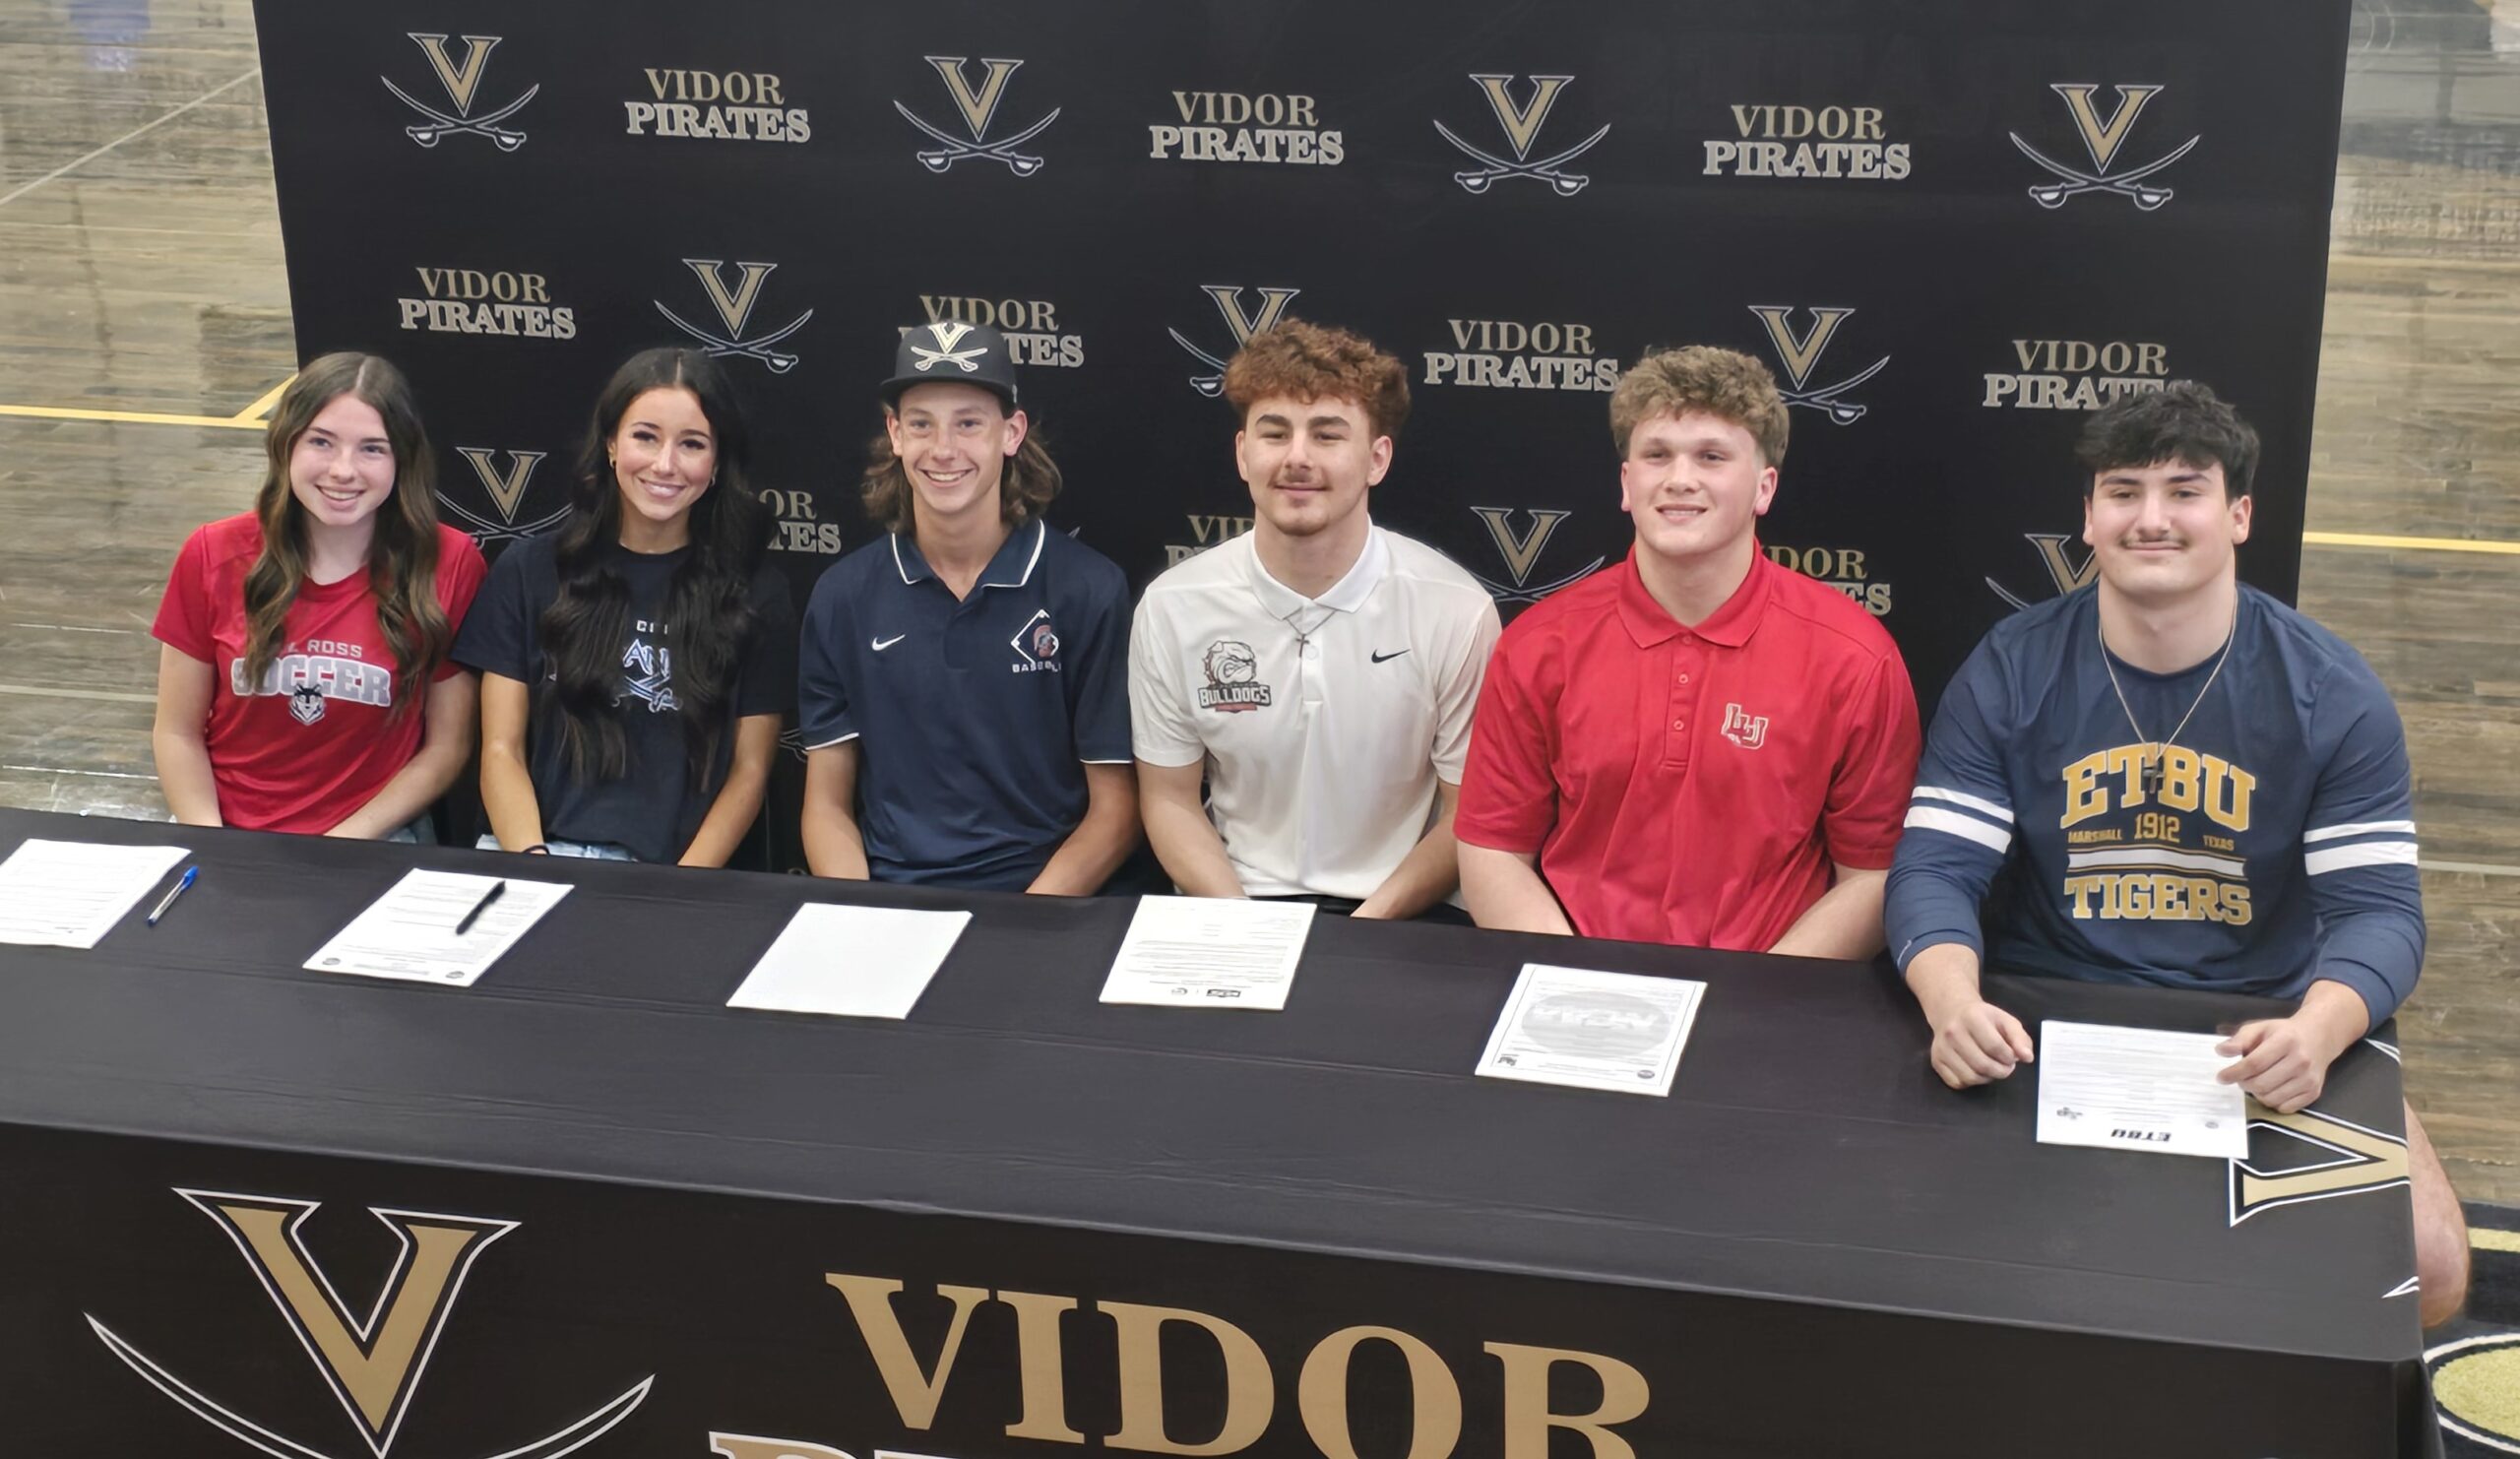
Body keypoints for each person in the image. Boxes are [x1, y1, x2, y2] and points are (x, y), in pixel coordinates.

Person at [1883, 380, 2469, 1325]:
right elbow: (1935, 871)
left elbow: (2381, 914)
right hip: (2049, 1006)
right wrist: (1952, 1002)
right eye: (2123, 491)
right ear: (2089, 517)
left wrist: (2317, 1033)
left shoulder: (2332, 691)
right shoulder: (2012, 664)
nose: (2151, 518)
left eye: (2184, 491)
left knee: (2434, 1269)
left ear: (2238, 515)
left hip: (2257, 1020)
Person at [1457, 346, 1920, 953]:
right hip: (1579, 979)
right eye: (1656, 456)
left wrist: (1760, 994)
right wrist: (1572, 979)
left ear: (1764, 487)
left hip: (1769, 993)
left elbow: (1873, 876)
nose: (1680, 478)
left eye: (1711, 456)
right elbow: (1493, 848)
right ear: (1627, 483)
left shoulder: (1855, 658)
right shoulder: (1539, 644)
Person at [1129, 319, 1499, 919]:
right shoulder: (1173, 606)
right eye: (1275, 433)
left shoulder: (1455, 609)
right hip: (1233, 904)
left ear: (1377, 458)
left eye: (1328, 436)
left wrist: (1364, 930)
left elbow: (1467, 816)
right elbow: (1169, 801)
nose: (1297, 459)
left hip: (1401, 913)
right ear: (1244, 453)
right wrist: (1245, 932)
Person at [796, 322, 1137, 892]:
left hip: (1044, 902)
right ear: (895, 433)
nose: (944, 449)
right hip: (893, 894)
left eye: (969, 423)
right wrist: (858, 913)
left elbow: (1117, 811)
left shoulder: (1089, 589)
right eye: (922, 424)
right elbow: (826, 805)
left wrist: (1021, 926)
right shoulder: (843, 596)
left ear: (1012, 432)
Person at [456, 348, 793, 864]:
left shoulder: (756, 592)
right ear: (611, 443)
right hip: (525, 854)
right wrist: (534, 863)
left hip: (669, 878)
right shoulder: (529, 569)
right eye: (645, 436)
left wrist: (677, 888)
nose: (665, 464)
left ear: (718, 462)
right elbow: (501, 750)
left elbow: (749, 773)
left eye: (692, 444)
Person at [152, 352, 485, 840]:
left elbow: (447, 748)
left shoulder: (449, 562)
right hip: (225, 832)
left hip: (373, 836)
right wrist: (213, 842)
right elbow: (177, 732)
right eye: (321, 442)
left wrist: (339, 848)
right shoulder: (212, 553)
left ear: (403, 459)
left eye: (373, 449)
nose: (343, 470)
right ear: (286, 444)